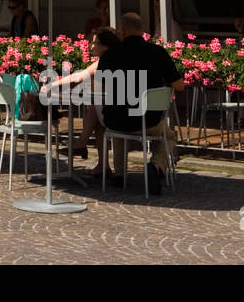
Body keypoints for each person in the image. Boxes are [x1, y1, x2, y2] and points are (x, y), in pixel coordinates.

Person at [96, 12, 185, 193]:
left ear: (122, 30)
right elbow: (179, 85)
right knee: (169, 136)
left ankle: (120, 175)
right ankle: (156, 166)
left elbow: (98, 86)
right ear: (142, 30)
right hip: (147, 120)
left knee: (119, 122)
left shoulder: (110, 54)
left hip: (115, 120)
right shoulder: (157, 52)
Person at [41, 26, 123, 179]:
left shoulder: (105, 60)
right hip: (125, 113)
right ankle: (101, 165)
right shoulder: (119, 57)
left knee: (92, 109)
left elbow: (77, 77)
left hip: (118, 117)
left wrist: (50, 86)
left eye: (95, 43)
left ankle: (80, 144)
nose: (91, 46)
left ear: (105, 46)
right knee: (97, 121)